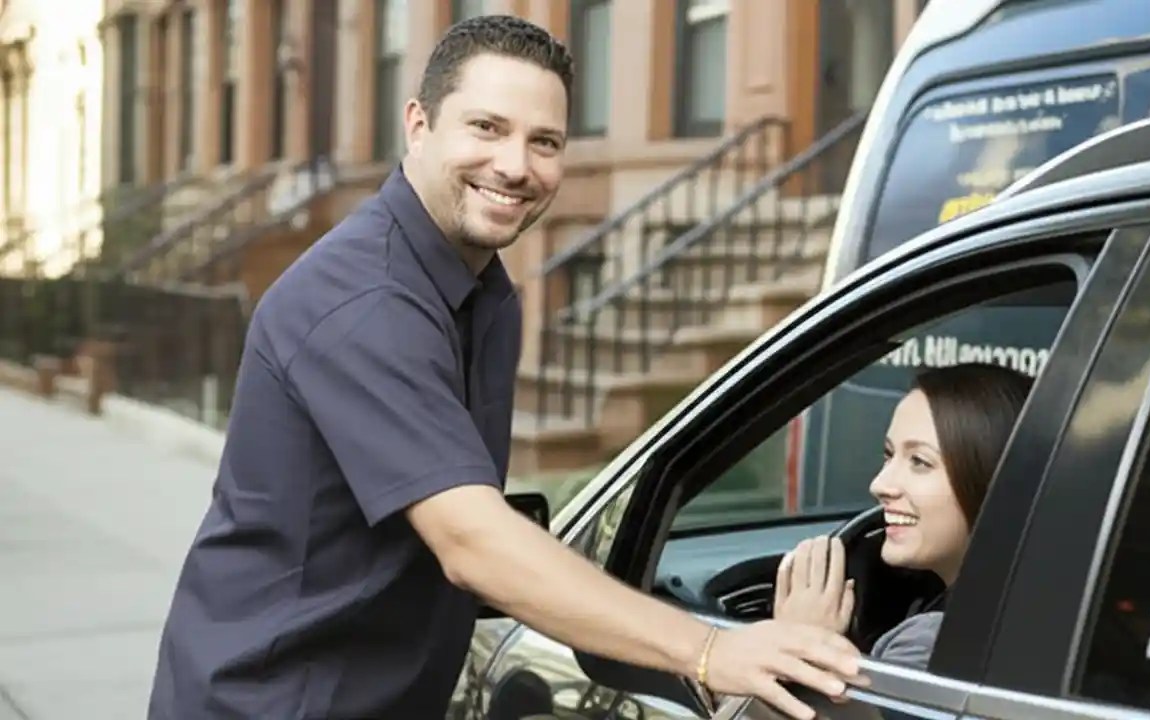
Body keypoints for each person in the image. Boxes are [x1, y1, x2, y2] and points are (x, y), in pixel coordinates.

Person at [147, 14, 863, 720]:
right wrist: (710, 650)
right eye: (486, 128)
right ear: (418, 124)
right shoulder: (363, 303)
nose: (516, 166)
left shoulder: (483, 292)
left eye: (543, 141)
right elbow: (472, 542)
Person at [774, 363, 1033, 669]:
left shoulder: (932, 646)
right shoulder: (1038, 616)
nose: (879, 484)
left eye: (920, 461)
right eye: (889, 455)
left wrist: (804, 646)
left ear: (993, 478)